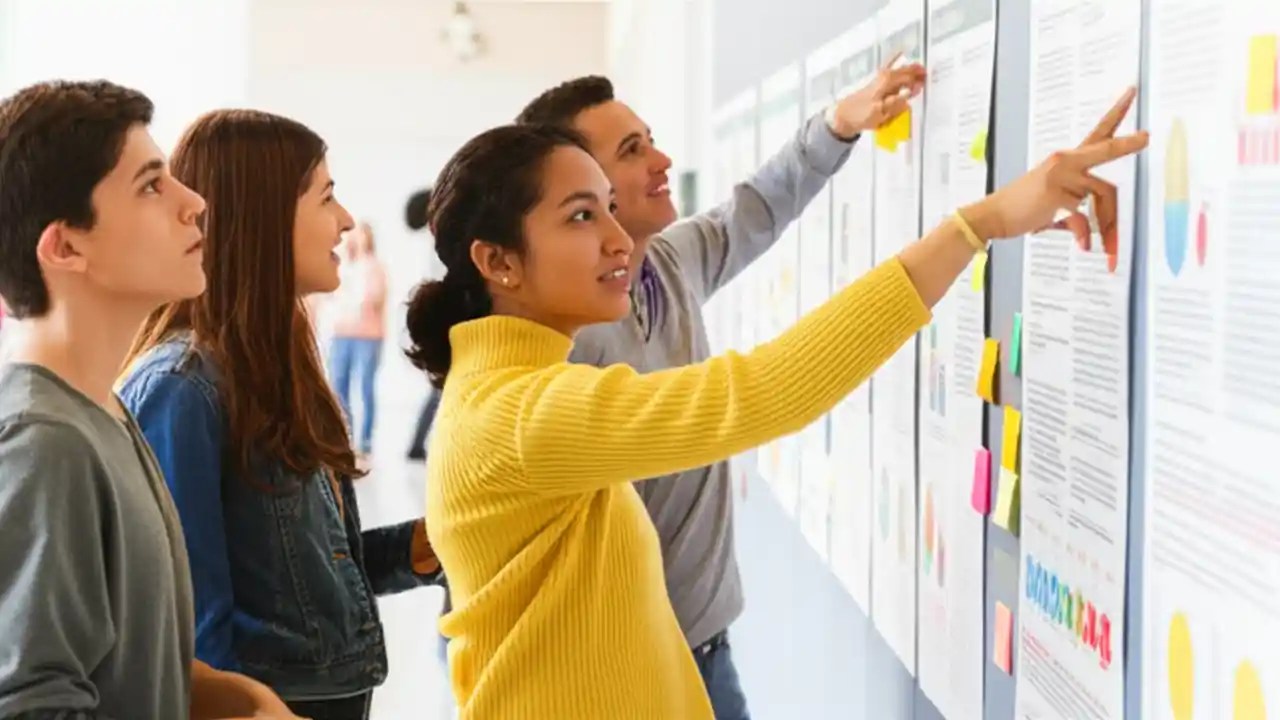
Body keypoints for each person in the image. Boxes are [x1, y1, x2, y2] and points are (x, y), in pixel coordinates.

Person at [406, 86, 1145, 719]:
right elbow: (762, 393)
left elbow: (749, 215)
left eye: (607, 208)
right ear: (497, 260)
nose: (615, 238)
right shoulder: (519, 414)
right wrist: (974, 226)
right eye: (579, 217)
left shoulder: (522, 385)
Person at [512, 60, 925, 716]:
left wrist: (840, 124)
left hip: (705, 647)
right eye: (633, 150)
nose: (662, 159)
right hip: (620, 674)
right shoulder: (559, 339)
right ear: (583, 186)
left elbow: (755, 208)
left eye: (648, 139)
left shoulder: (670, 262)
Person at [117, 109, 442, 720]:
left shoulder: (280, 373)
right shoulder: (182, 389)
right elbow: (192, 636)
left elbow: (299, 576)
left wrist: (417, 549)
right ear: (263, 218)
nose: (345, 221)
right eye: (326, 197)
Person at [0, 80, 301, 719]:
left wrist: (230, 696)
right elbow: (34, 704)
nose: (194, 203)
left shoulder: (100, 410)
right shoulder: (43, 439)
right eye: (150, 185)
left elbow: (118, 659)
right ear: (65, 245)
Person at [326, 222, 388, 458]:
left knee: (365, 387)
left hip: (367, 336)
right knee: (338, 387)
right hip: (341, 333)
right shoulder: (343, 266)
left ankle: (365, 442)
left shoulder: (374, 268)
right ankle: (345, 440)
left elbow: (374, 300)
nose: (355, 239)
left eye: (361, 235)